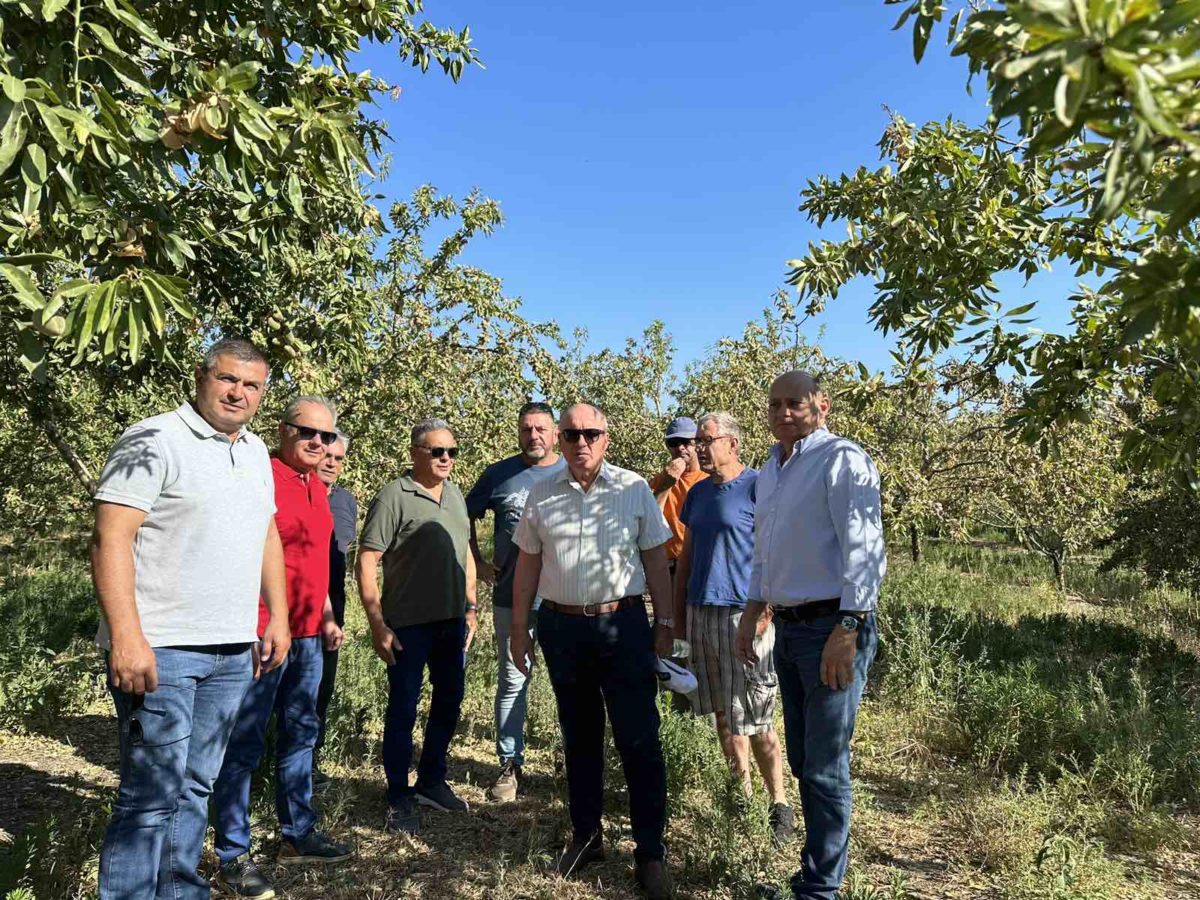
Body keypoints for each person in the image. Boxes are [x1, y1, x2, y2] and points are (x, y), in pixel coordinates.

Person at [91, 337, 290, 900]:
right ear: (201, 377)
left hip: (232, 648)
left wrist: (275, 614)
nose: (238, 393)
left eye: (252, 386)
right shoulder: (154, 438)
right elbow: (111, 537)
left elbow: (266, 534)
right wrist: (127, 637)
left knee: (196, 785)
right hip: (164, 647)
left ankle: (180, 890)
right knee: (150, 794)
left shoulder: (252, 451)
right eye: (228, 379)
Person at [510, 403, 675, 900]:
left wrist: (665, 623)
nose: (580, 442)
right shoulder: (540, 495)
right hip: (563, 629)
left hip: (622, 627)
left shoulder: (633, 490)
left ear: (606, 438)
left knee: (639, 740)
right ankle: (587, 838)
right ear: (559, 440)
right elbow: (527, 569)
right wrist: (520, 629)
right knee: (579, 738)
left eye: (590, 434)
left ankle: (650, 853)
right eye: (571, 434)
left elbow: (654, 556)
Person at [736, 372, 886, 900]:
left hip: (831, 627)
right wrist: (754, 607)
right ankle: (812, 872)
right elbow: (765, 550)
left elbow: (865, 547)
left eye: (794, 403)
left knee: (823, 765)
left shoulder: (841, 459)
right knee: (802, 758)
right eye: (774, 403)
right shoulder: (771, 470)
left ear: (822, 405)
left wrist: (849, 626)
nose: (782, 412)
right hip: (791, 629)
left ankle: (821, 888)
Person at [213, 396, 352, 898]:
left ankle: (298, 833)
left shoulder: (319, 485)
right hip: (265, 633)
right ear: (283, 430)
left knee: (302, 732)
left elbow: (315, 565)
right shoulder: (262, 473)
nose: (318, 442)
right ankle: (233, 852)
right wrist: (259, 624)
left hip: (311, 635)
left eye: (327, 436)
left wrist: (329, 615)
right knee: (245, 742)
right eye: (306, 432)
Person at [673, 412, 793, 843]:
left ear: (733, 443)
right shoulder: (699, 493)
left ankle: (778, 802)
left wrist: (766, 609)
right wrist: (675, 616)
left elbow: (778, 550)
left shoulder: (760, 486)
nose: (699, 448)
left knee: (757, 712)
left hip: (744, 613)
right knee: (723, 710)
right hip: (701, 612)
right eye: (697, 441)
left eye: (707, 440)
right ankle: (740, 793)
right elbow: (686, 557)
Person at [356, 418, 478, 835]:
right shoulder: (395, 496)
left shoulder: (456, 495)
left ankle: (431, 779)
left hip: (450, 623)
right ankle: (398, 793)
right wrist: (377, 624)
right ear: (415, 453)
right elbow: (368, 559)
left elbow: (466, 550)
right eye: (436, 451)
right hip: (408, 625)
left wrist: (472, 607)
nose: (446, 458)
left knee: (449, 701)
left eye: (451, 451)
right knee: (403, 708)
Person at [465, 401, 566, 803]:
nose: (534, 436)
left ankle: (570, 762)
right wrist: (478, 561)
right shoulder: (499, 475)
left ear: (555, 432)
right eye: (527, 429)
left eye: (541, 429)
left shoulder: (572, 468)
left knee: (569, 682)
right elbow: (464, 515)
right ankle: (510, 764)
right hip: (511, 598)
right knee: (513, 681)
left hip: (565, 599)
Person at [313, 432, 357, 786]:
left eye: (339, 458)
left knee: (322, 688)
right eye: (327, 454)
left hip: (333, 609)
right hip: (294, 608)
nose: (331, 463)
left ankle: (310, 763)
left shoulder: (345, 500)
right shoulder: (290, 494)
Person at [648, 416, 707, 581]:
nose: (680, 448)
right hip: (670, 569)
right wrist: (665, 485)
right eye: (674, 443)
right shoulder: (660, 480)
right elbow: (649, 523)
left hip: (700, 566)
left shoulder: (708, 479)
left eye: (686, 442)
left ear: (697, 444)